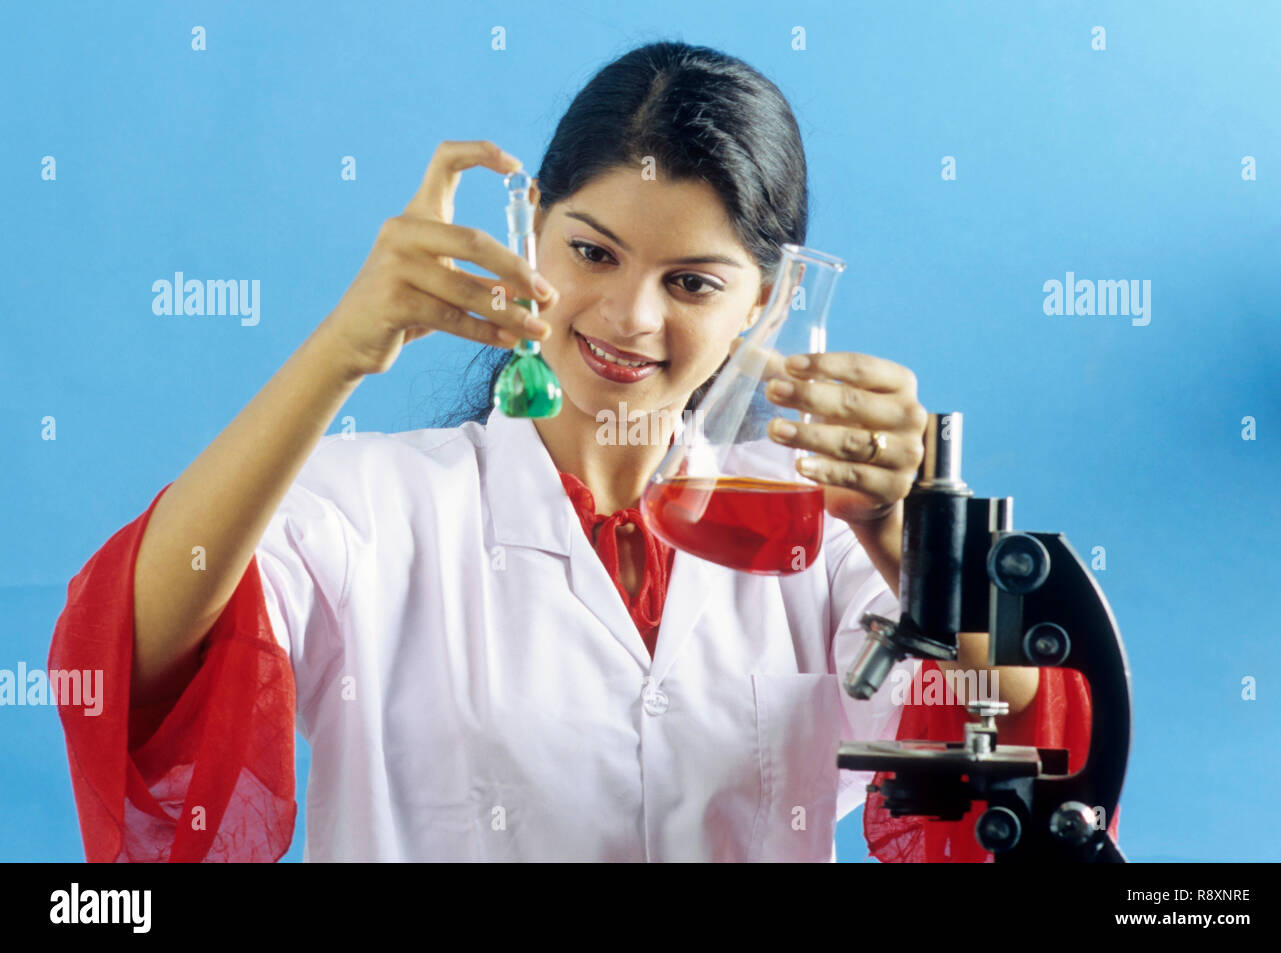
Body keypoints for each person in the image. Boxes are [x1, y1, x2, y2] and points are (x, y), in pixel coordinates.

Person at [49, 41, 1108, 862]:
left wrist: (905, 541)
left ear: (774, 299)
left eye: (692, 281)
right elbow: (129, 661)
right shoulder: (371, 506)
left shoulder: (814, 530)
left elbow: (1019, 750)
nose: (626, 315)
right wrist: (338, 352)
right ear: (532, 222)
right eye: (591, 250)